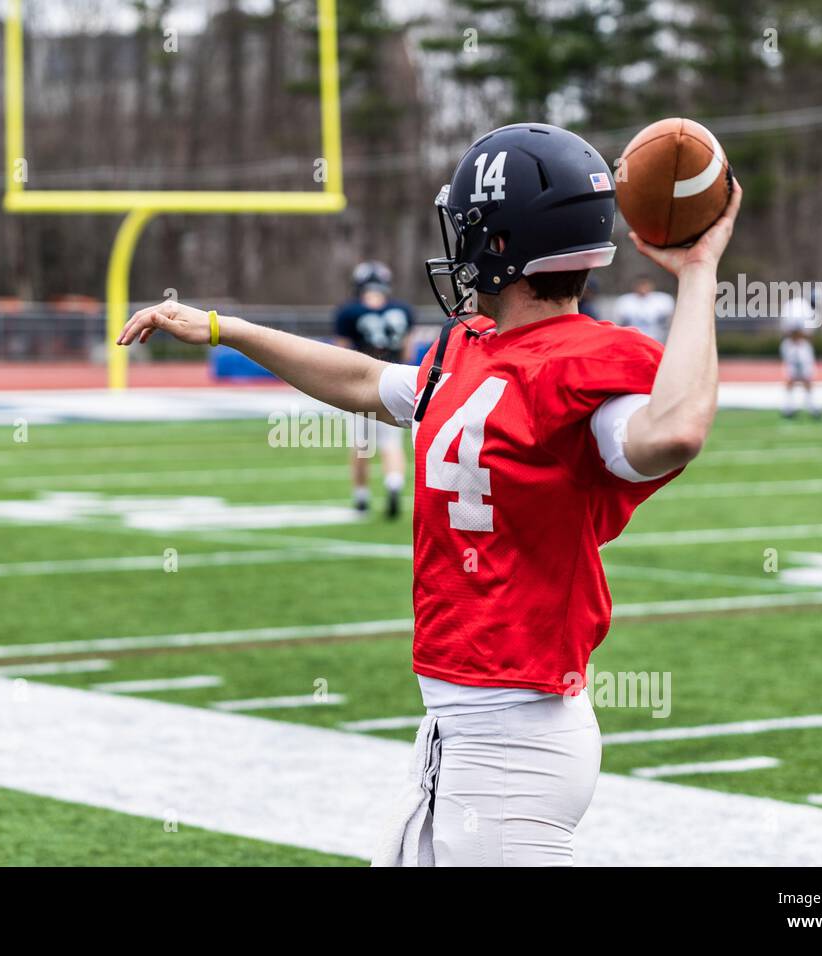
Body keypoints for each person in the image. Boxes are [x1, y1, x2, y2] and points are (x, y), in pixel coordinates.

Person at [117, 123, 741, 866]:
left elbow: (673, 432)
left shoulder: (580, 369)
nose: (458, 239)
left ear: (501, 245)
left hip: (517, 738)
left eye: (471, 224)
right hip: (458, 725)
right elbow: (358, 380)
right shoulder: (468, 349)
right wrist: (226, 328)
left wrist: (699, 270)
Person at [333, 261, 416, 517]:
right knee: (391, 443)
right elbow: (408, 351)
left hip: (361, 381)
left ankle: (361, 498)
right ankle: (393, 484)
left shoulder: (349, 312)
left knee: (362, 443)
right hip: (393, 378)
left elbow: (340, 351)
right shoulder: (403, 310)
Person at [779, 296, 822, 419]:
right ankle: (795, 407)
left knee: (799, 377)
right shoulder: (801, 307)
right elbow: (794, 329)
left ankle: (792, 407)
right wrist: (801, 338)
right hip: (796, 345)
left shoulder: (799, 305)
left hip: (796, 345)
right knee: (798, 377)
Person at [614, 273, 675, 343]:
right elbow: (618, 325)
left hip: (658, 340)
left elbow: (671, 323)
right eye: (640, 284)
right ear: (634, 285)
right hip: (632, 341)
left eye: (645, 284)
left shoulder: (664, 300)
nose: (643, 287)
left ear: (652, 285)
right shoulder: (624, 301)